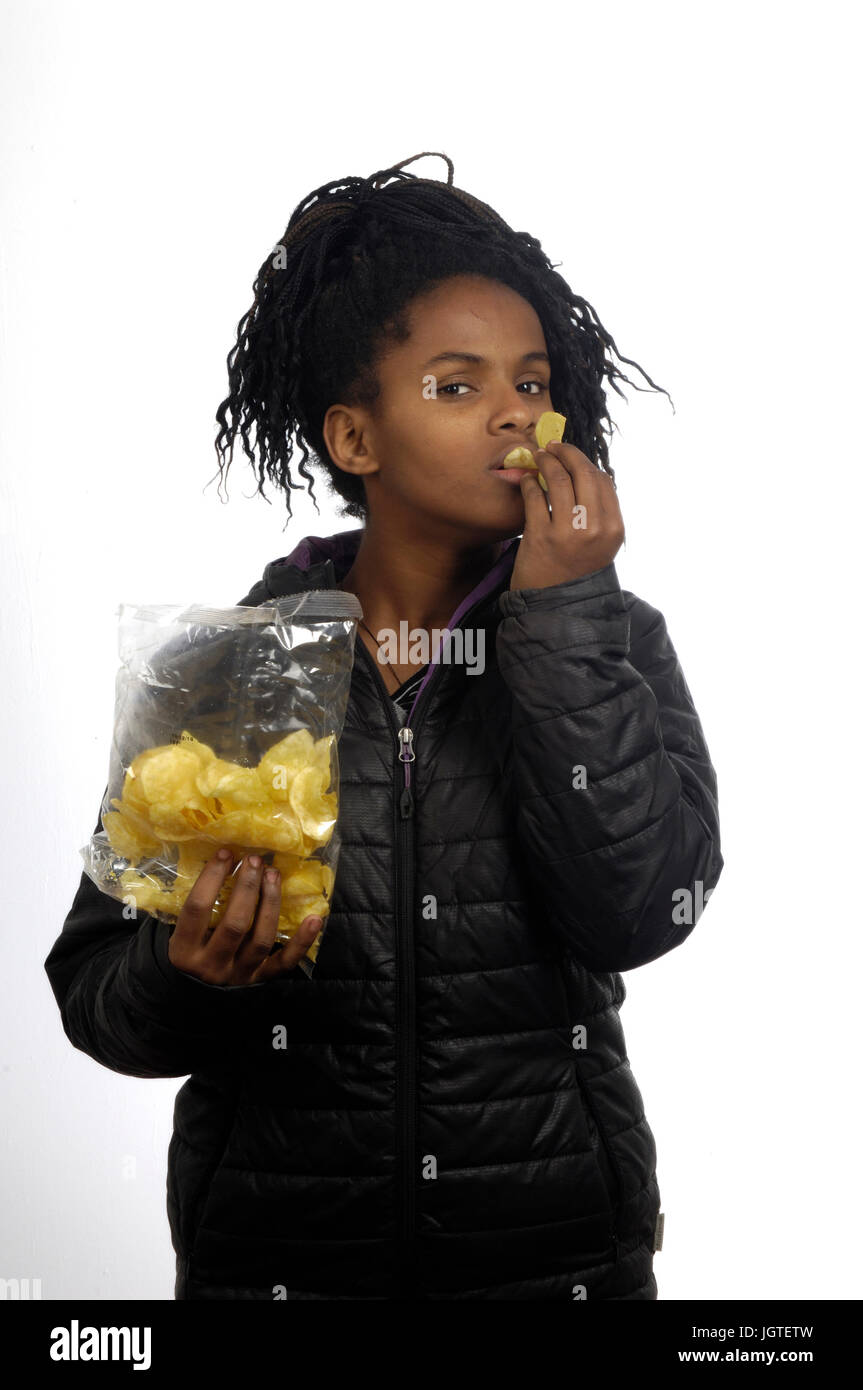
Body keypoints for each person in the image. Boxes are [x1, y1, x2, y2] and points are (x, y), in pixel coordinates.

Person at [45, 151, 723, 1300]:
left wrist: (559, 616)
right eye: (456, 387)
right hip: (279, 1271)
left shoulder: (608, 632)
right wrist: (186, 972)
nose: (514, 409)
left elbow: (638, 910)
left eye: (530, 379)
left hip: (553, 1266)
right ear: (354, 440)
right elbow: (100, 1001)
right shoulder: (223, 671)